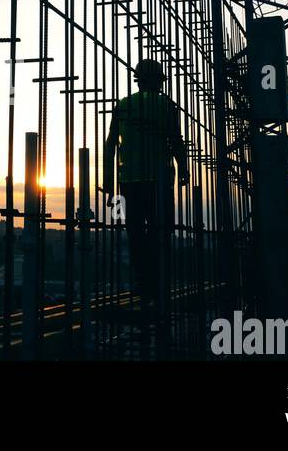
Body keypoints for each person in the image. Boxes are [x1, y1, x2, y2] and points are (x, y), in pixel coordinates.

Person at [104, 58, 188, 357]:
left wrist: (106, 180)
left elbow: (110, 142)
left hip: (128, 182)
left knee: (135, 235)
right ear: (159, 81)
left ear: (138, 79)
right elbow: (176, 140)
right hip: (160, 182)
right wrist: (185, 168)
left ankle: (143, 285)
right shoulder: (167, 105)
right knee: (161, 235)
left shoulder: (124, 104)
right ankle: (157, 285)